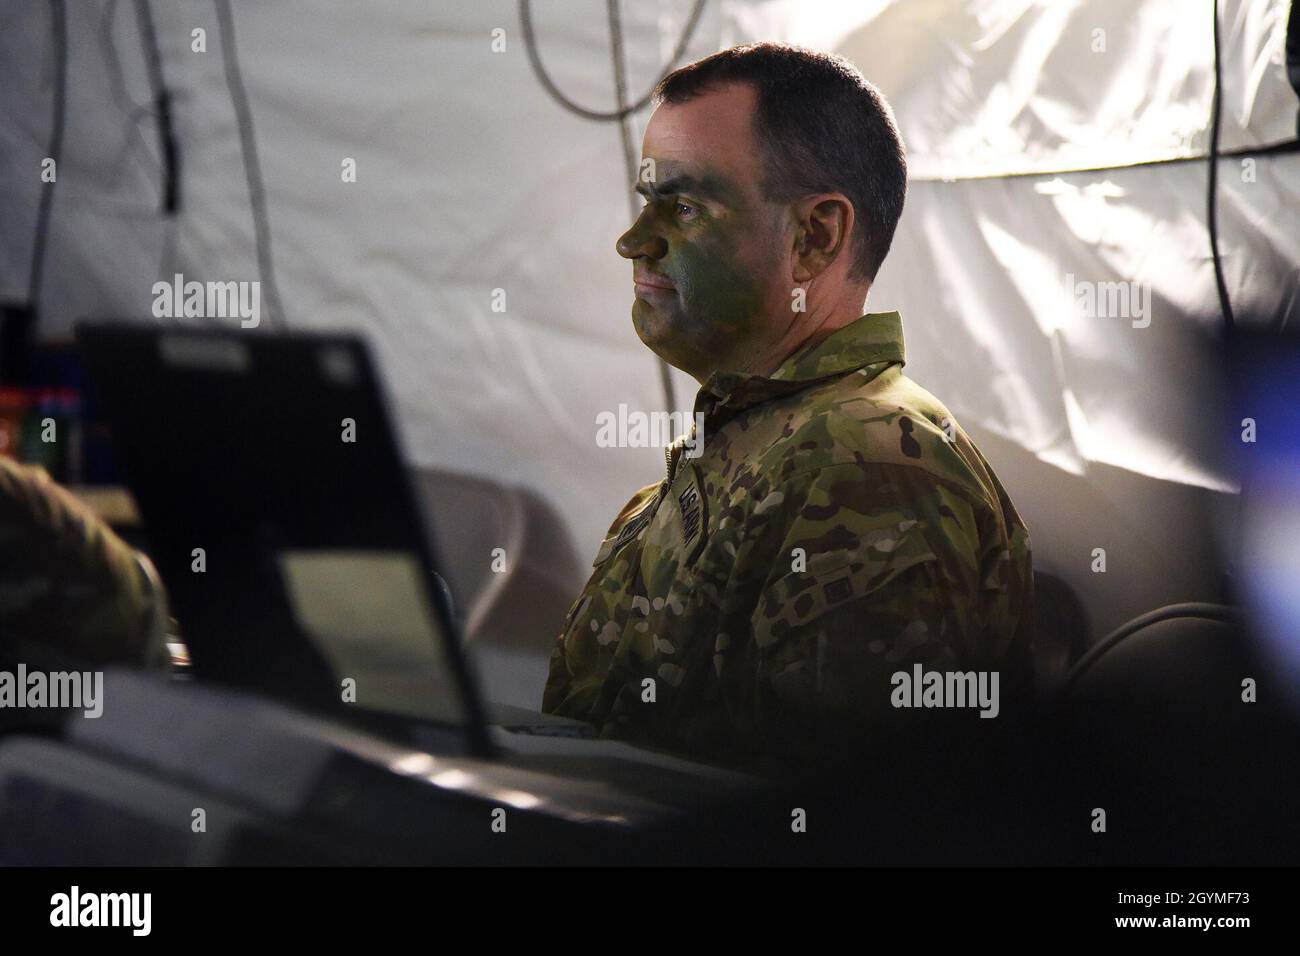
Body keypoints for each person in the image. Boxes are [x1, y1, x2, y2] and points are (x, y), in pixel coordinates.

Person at [542, 43, 1034, 763]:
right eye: (648, 202)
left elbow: (845, 825)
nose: (633, 242)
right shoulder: (755, 447)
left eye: (683, 207)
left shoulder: (871, 464)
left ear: (814, 237)